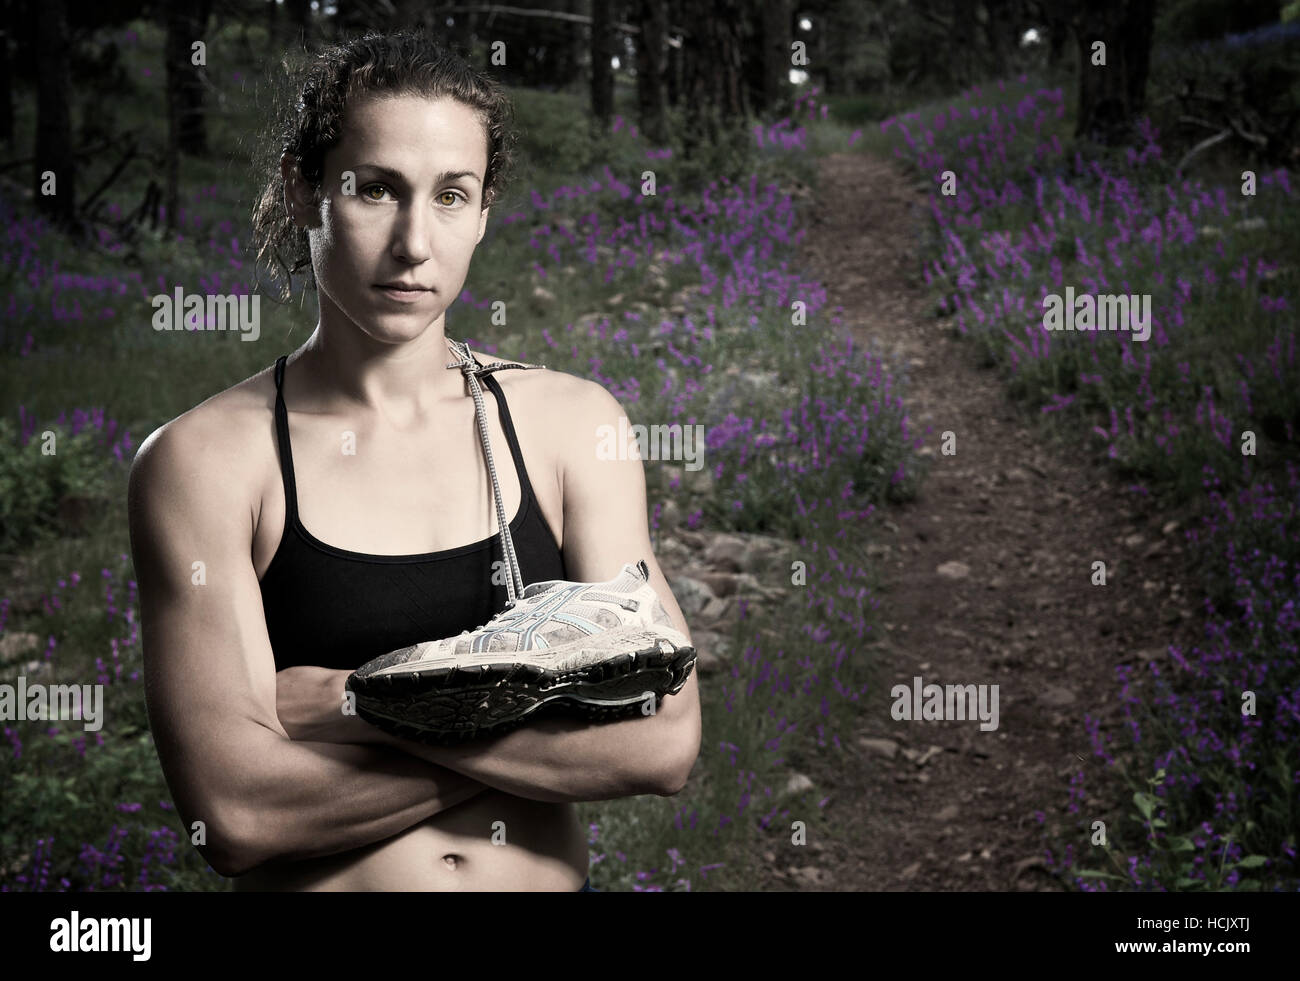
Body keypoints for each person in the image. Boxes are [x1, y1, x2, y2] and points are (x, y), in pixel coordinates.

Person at [126, 30, 701, 892]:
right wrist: (529, 728)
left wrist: (361, 701)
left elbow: (661, 739)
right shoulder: (205, 461)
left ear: (484, 209)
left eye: (451, 196)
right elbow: (238, 814)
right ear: (303, 188)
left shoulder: (572, 428)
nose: (413, 243)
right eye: (376, 189)